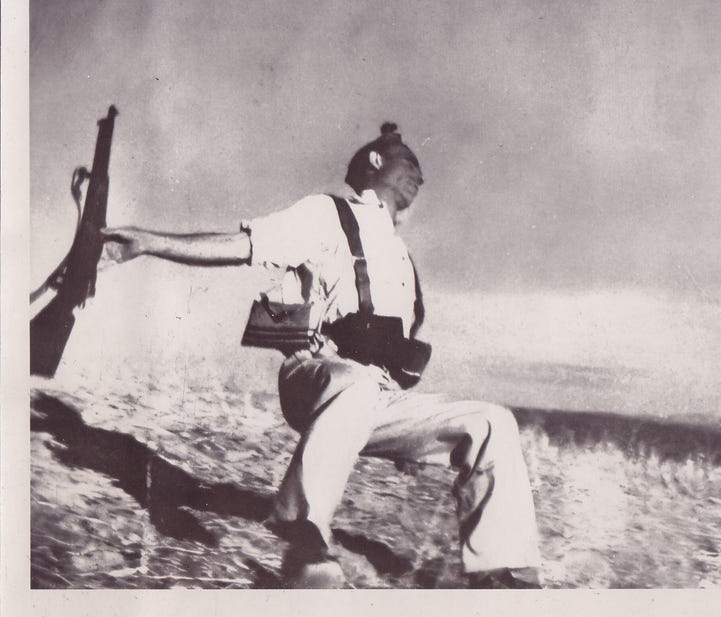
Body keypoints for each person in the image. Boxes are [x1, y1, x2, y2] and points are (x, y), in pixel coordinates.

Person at [102, 122, 542, 589]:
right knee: (354, 386)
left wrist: (413, 437)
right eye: (411, 164)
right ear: (376, 162)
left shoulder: (403, 259)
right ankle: (304, 536)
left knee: (492, 421)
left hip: (378, 396)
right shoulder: (327, 214)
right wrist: (149, 242)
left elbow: (398, 355)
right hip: (317, 375)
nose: (420, 177)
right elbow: (242, 246)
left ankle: (504, 576)